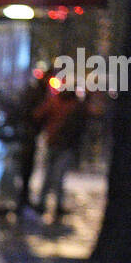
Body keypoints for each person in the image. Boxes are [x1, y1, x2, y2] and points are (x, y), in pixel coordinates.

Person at [33, 84, 86, 220]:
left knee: (49, 174)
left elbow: (38, 115)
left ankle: (42, 203)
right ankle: (57, 205)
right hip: (65, 145)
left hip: (53, 141)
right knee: (59, 176)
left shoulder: (55, 101)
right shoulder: (75, 106)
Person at [13, 68, 51, 213]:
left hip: (30, 134)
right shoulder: (37, 92)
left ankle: (23, 198)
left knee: (27, 168)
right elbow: (33, 113)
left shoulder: (37, 91)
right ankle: (22, 199)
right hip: (28, 134)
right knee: (26, 168)